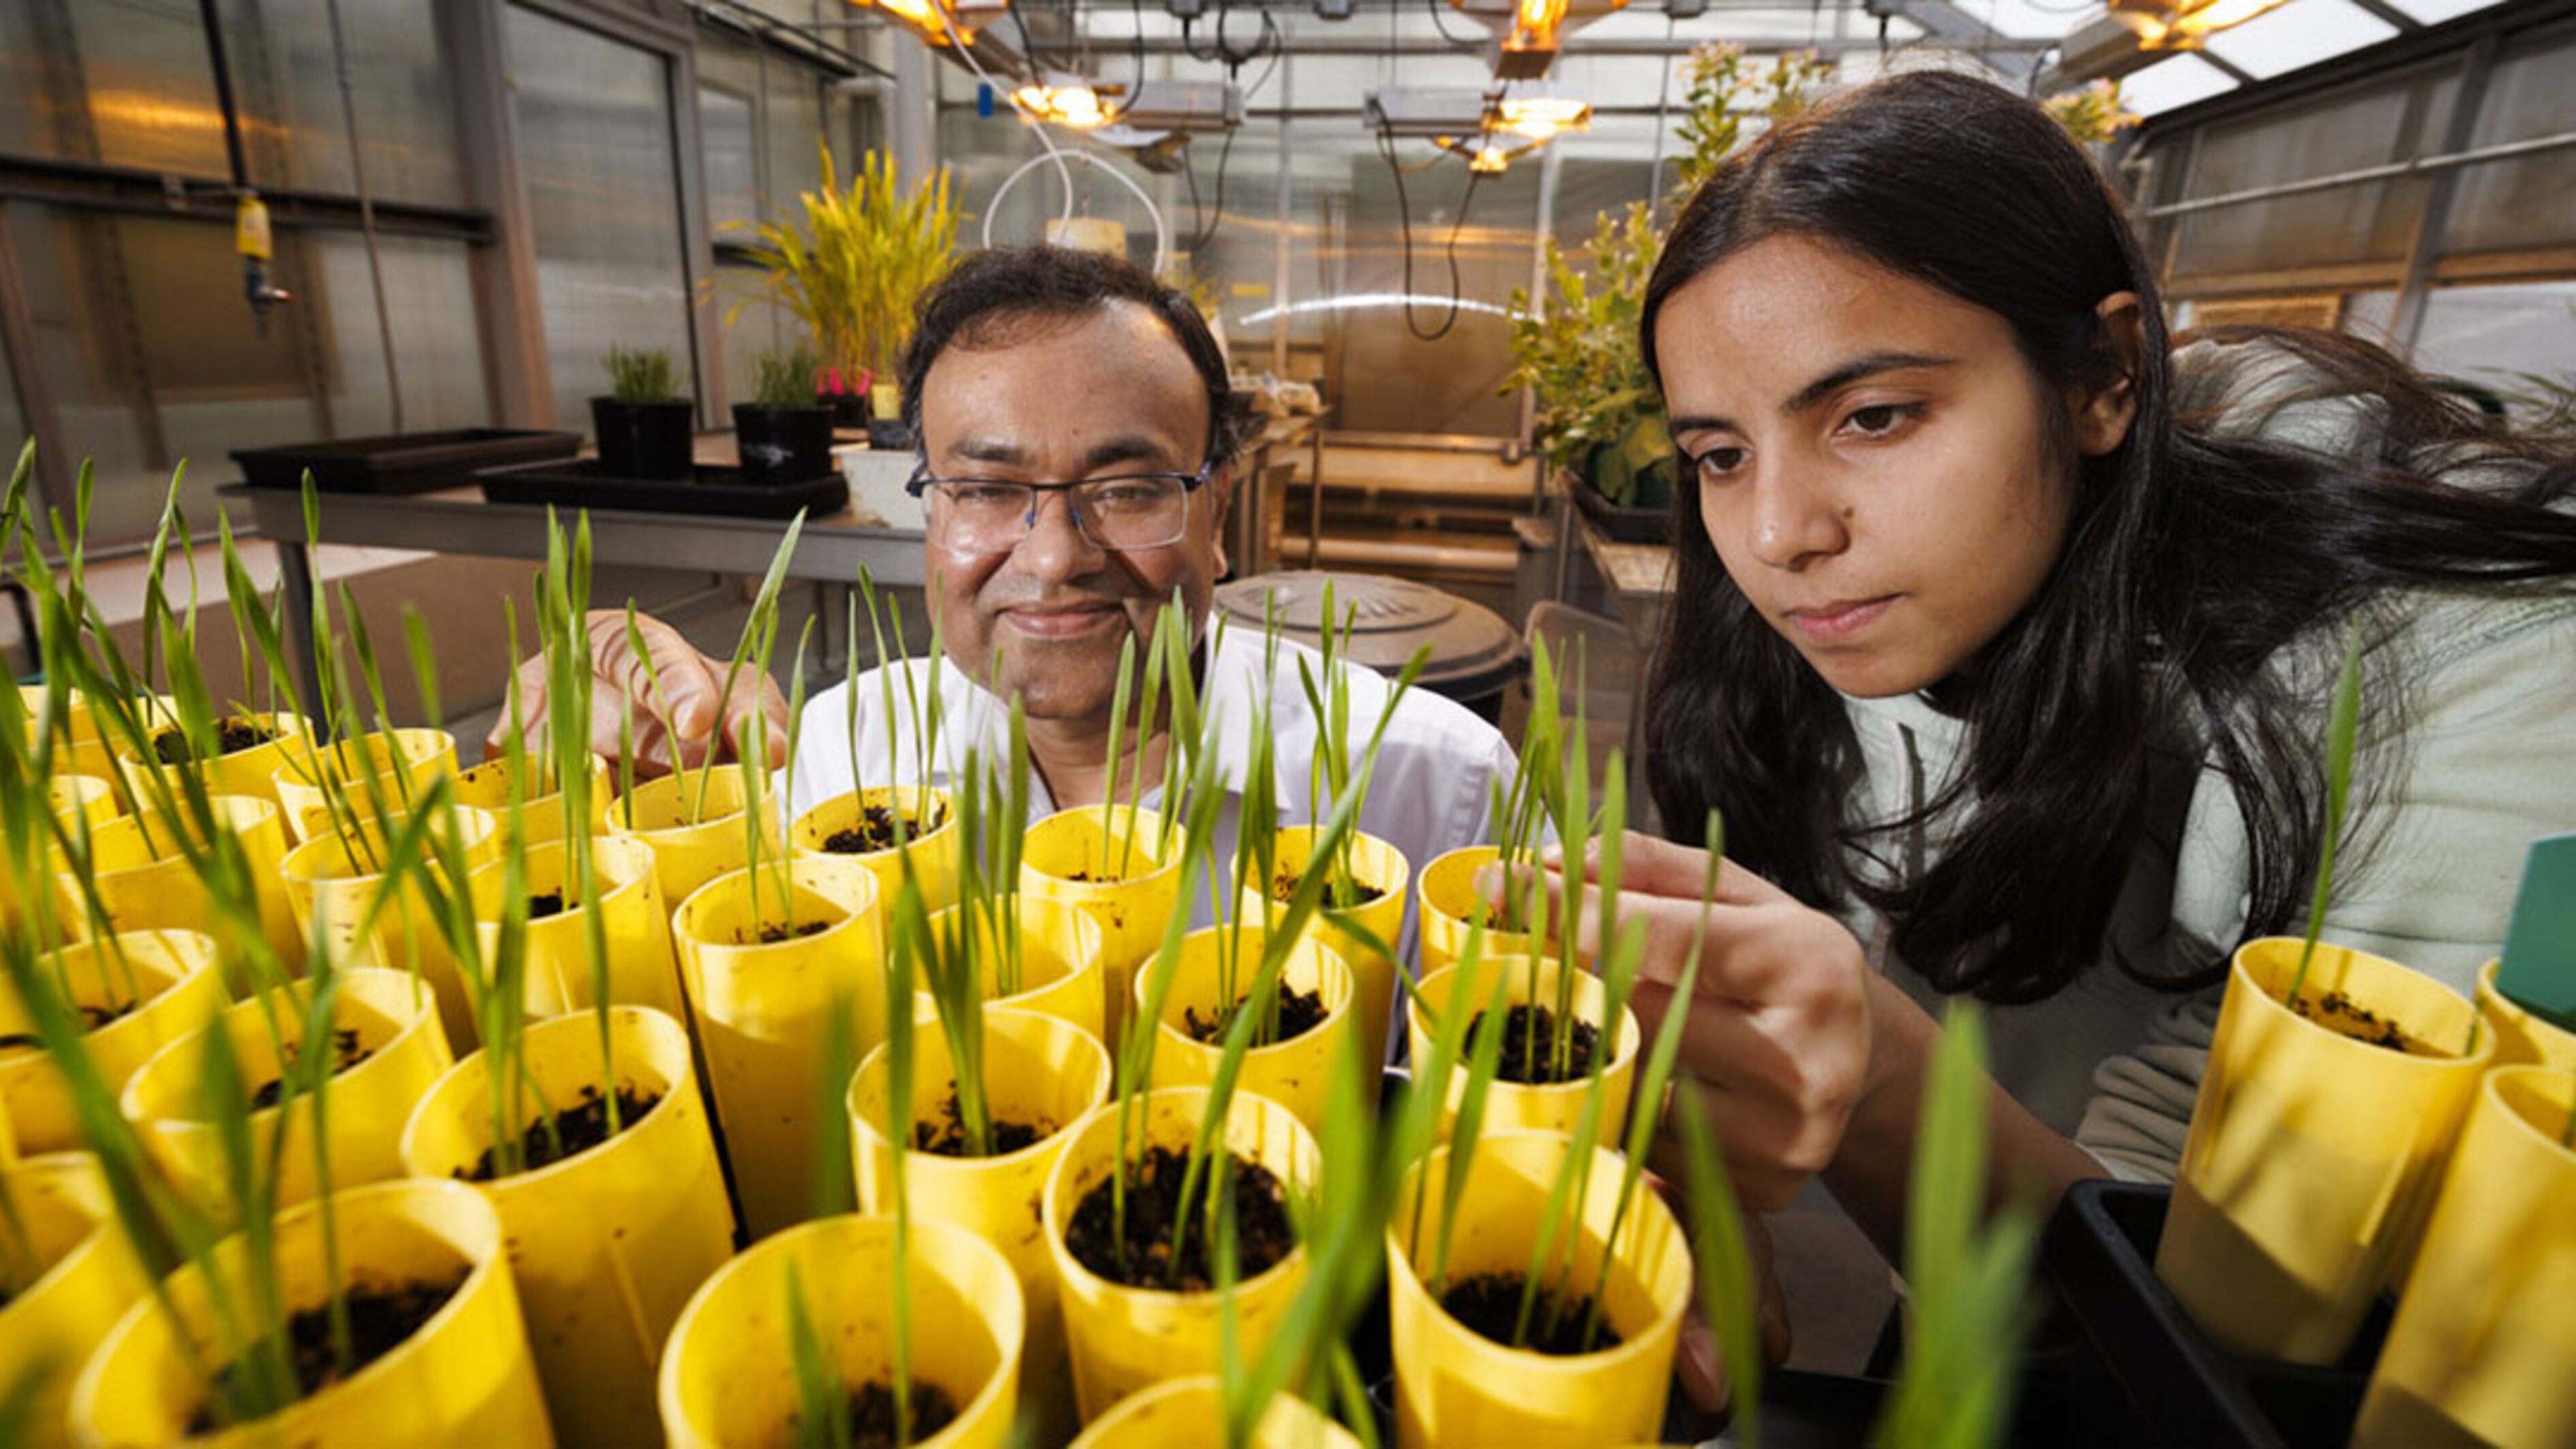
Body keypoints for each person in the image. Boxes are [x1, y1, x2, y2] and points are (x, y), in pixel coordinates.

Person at [1508, 69, 2576, 1271]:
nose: (1775, 534)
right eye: (1719, 452)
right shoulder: (1904, 596)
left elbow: (2234, 1308)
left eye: (1874, 416)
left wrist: (1872, 1078)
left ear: (2103, 378)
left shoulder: (2452, 666)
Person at [495, 244, 1516, 961]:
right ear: (930, 511)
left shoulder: (1432, 789)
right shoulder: (839, 756)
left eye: (1126, 488)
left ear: (1217, 511)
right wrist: (591, 801)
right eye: (986, 490)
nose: (1058, 555)